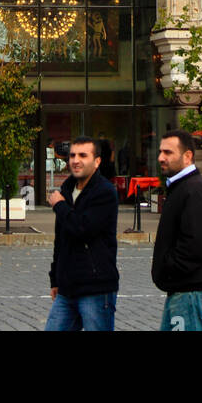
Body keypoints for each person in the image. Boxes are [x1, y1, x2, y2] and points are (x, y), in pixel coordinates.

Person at [152, 130, 202, 332]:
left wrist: (169, 269)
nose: (161, 158)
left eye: (168, 152)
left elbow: (194, 244)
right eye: (160, 152)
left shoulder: (192, 189)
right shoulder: (182, 187)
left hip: (191, 293)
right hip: (185, 291)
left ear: (187, 156)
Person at [45, 137, 119, 332]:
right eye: (72, 156)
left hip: (96, 287)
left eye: (83, 155)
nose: (75, 160)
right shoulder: (67, 189)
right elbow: (60, 239)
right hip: (67, 288)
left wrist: (59, 205)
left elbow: (82, 229)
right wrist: (55, 278)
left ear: (97, 161)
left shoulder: (105, 192)